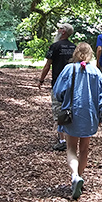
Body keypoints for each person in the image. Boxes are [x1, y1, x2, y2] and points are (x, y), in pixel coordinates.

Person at [53, 42, 102, 199]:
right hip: (89, 115)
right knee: (84, 149)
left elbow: (57, 92)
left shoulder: (69, 69)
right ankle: (79, 177)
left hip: (72, 114)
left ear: (75, 53)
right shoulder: (96, 72)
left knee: (70, 148)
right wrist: (101, 116)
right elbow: (101, 98)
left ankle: (75, 176)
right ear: (90, 54)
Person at [38, 23, 76, 151]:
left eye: (60, 28)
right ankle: (72, 137)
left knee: (59, 110)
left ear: (63, 32)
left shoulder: (55, 46)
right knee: (71, 109)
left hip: (58, 84)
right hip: (73, 84)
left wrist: (41, 80)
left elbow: (48, 65)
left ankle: (62, 140)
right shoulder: (74, 47)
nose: (57, 30)